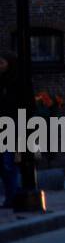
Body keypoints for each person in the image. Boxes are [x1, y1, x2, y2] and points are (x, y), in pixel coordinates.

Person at [0, 52, 19, 207]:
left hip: (10, 126)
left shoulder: (14, 82)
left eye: (2, 63)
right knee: (5, 164)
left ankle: (12, 196)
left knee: (8, 163)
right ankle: (10, 196)